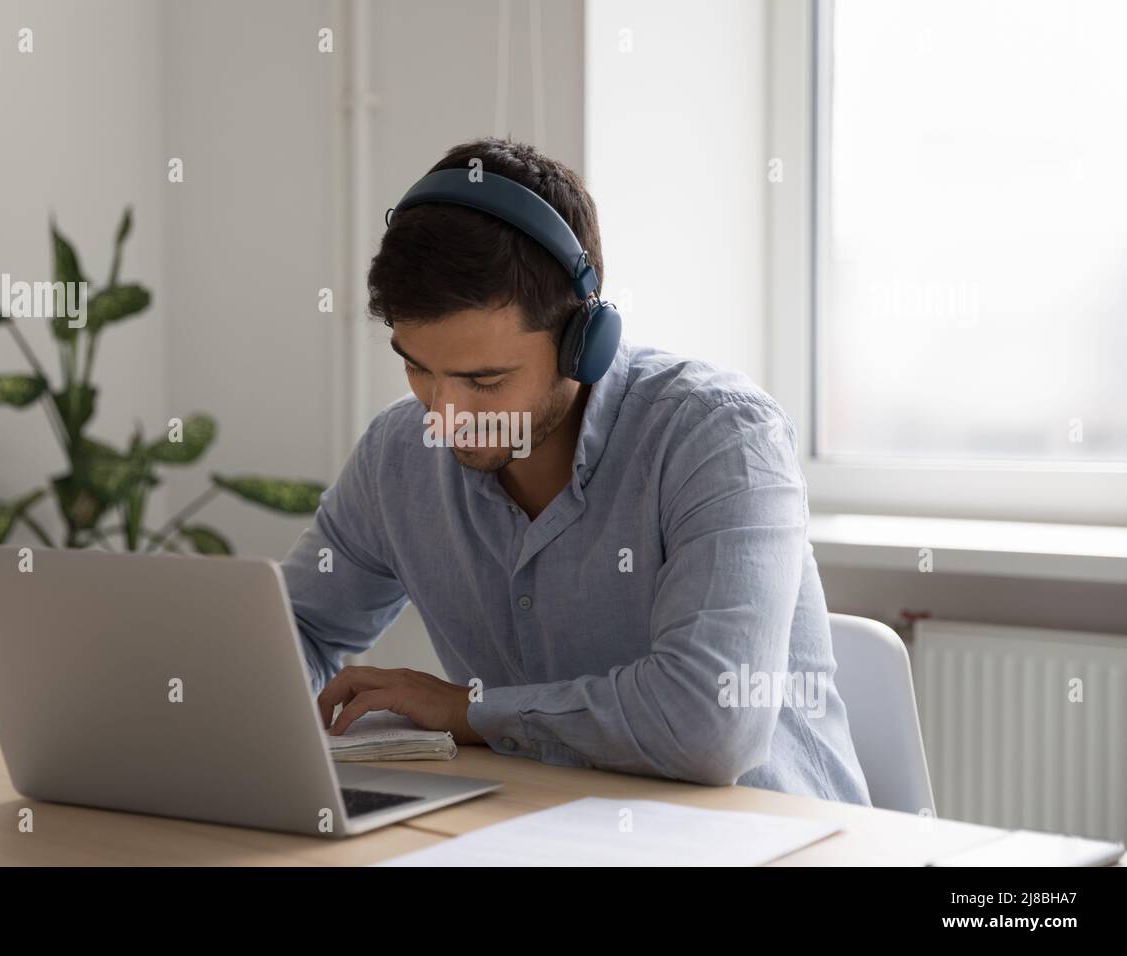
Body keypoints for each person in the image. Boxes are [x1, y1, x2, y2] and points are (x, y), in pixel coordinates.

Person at [280, 136, 871, 804]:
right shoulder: (399, 455)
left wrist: (468, 711)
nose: (444, 412)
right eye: (418, 366)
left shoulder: (721, 439)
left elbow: (710, 724)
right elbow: (295, 627)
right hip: (539, 831)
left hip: (765, 839)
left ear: (582, 345)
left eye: (485, 378)